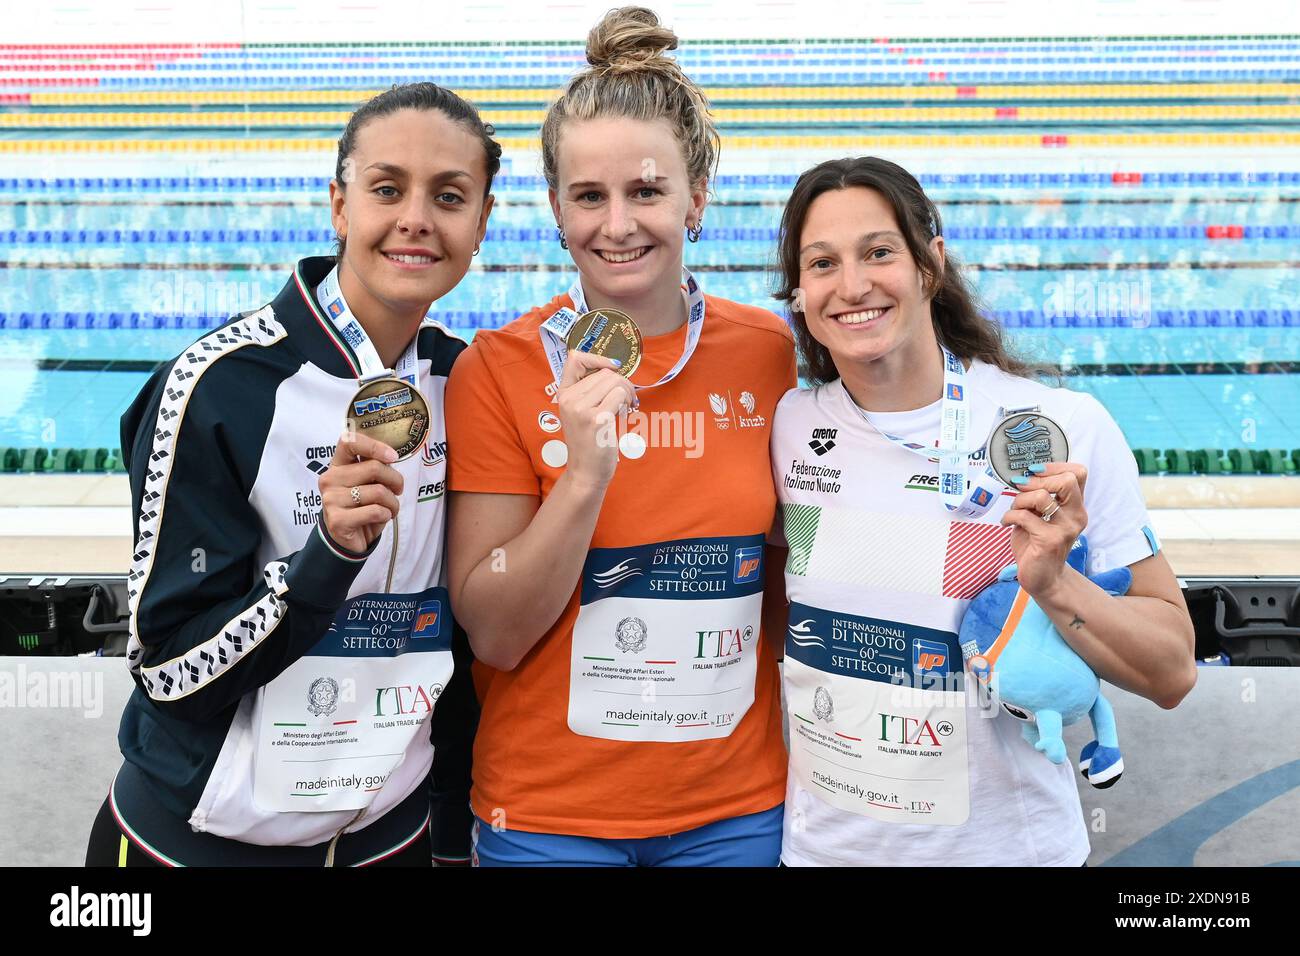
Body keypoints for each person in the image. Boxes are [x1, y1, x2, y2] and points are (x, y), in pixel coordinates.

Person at [85, 83, 498, 866]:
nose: (416, 217)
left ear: (480, 225)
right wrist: (325, 557)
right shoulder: (213, 387)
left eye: (449, 196)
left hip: (390, 840)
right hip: (202, 842)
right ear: (340, 207)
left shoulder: (469, 382)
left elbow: (466, 637)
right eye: (386, 189)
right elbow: (169, 668)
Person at [770, 156, 1198, 867]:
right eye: (822, 263)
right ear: (800, 292)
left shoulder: (1062, 431)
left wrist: (1055, 584)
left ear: (931, 265)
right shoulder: (788, 428)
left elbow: (1173, 672)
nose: (852, 286)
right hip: (820, 854)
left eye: (879, 252)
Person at [445, 6, 795, 866]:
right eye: (589, 196)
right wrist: (583, 477)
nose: (618, 224)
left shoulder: (773, 355)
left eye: (646, 191)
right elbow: (493, 631)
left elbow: (800, 566)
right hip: (546, 817)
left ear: (696, 198)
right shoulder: (496, 369)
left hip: (736, 810)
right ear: (557, 209)